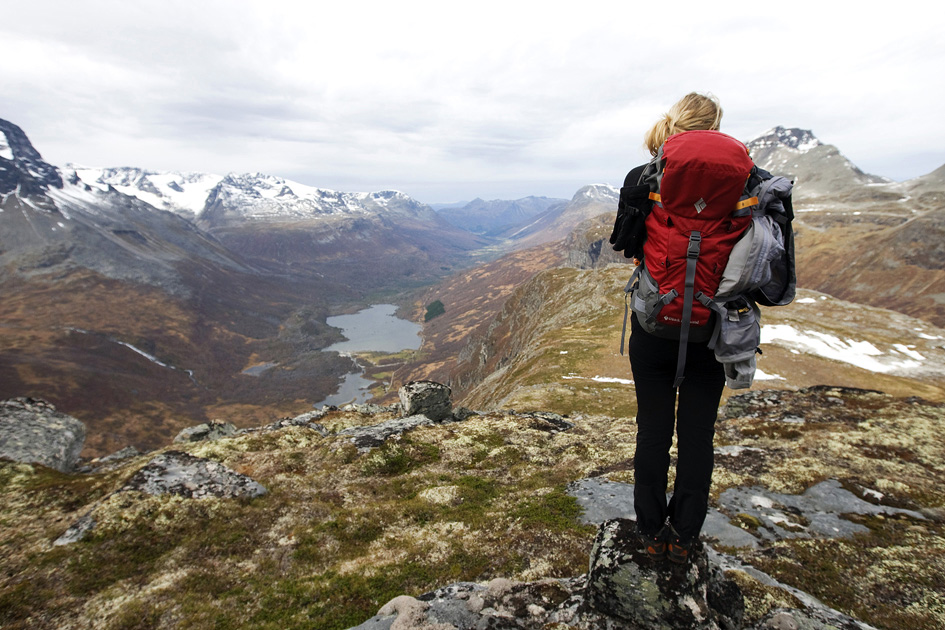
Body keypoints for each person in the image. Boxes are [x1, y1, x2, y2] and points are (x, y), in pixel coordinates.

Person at [624, 93, 727, 565]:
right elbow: (770, 272)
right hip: (713, 331)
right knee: (697, 435)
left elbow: (626, 245)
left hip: (653, 328)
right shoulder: (752, 182)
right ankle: (683, 537)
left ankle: (649, 530)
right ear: (716, 126)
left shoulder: (644, 177)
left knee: (653, 431)